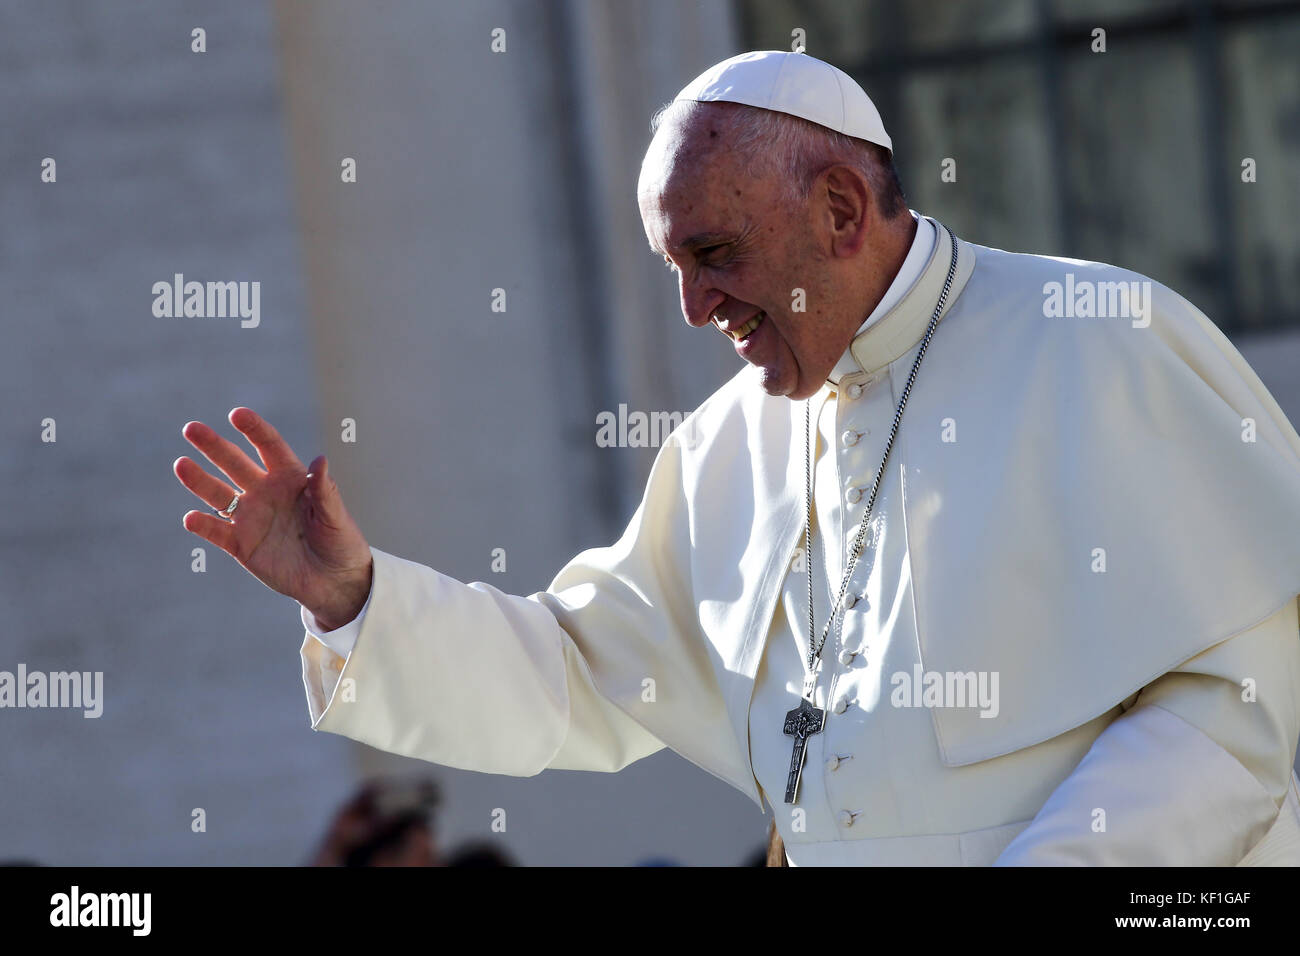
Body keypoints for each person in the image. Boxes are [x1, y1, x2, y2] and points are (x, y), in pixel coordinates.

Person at [173, 51, 1300, 866]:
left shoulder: (1096, 339)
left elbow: (1241, 705)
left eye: (715, 253)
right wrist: (355, 599)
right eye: (673, 267)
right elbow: (582, 674)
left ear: (843, 209)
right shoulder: (728, 445)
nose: (695, 306)